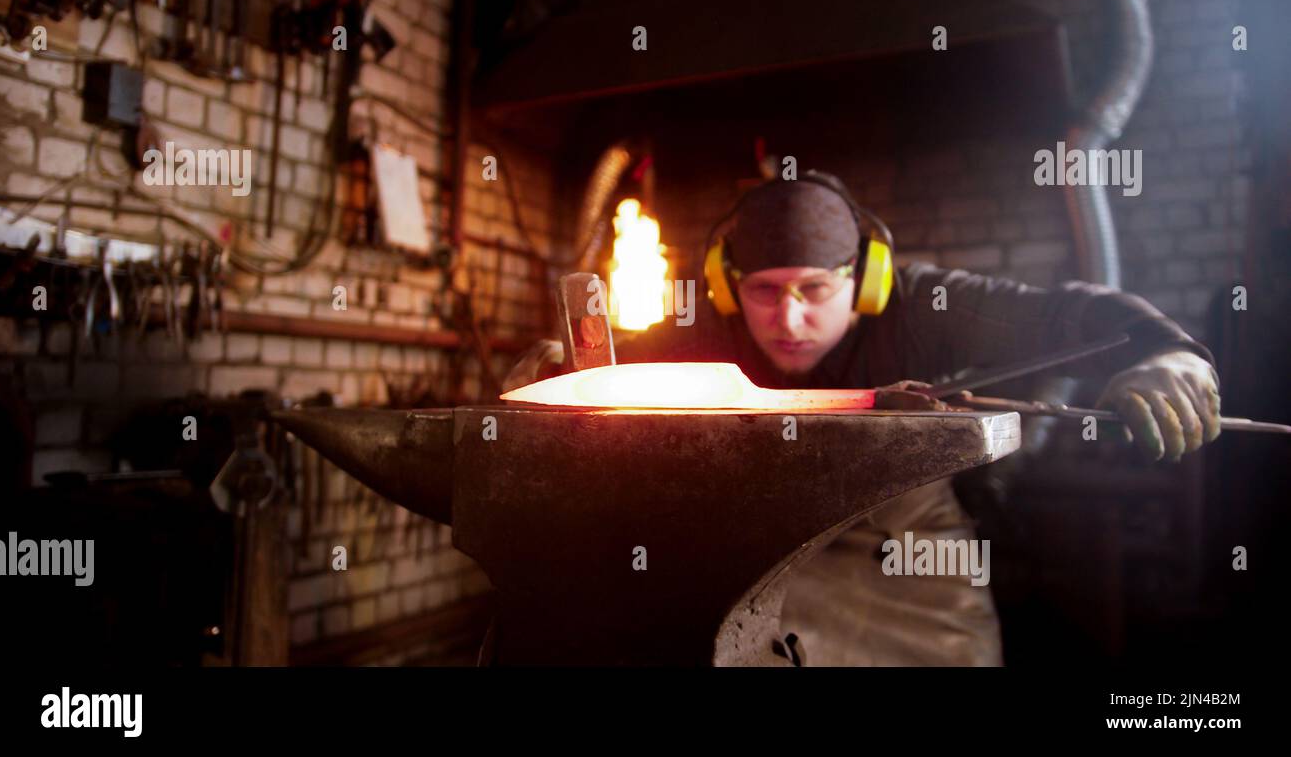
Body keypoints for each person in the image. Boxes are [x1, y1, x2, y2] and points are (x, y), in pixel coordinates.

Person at [502, 171, 1221, 665]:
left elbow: (1069, 313)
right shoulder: (710, 326)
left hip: (908, 558)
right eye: (764, 291)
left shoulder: (923, 306)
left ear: (866, 278)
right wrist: (559, 377)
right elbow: (615, 376)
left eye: (815, 289)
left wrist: (1170, 355)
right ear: (727, 287)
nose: (788, 318)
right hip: (757, 544)